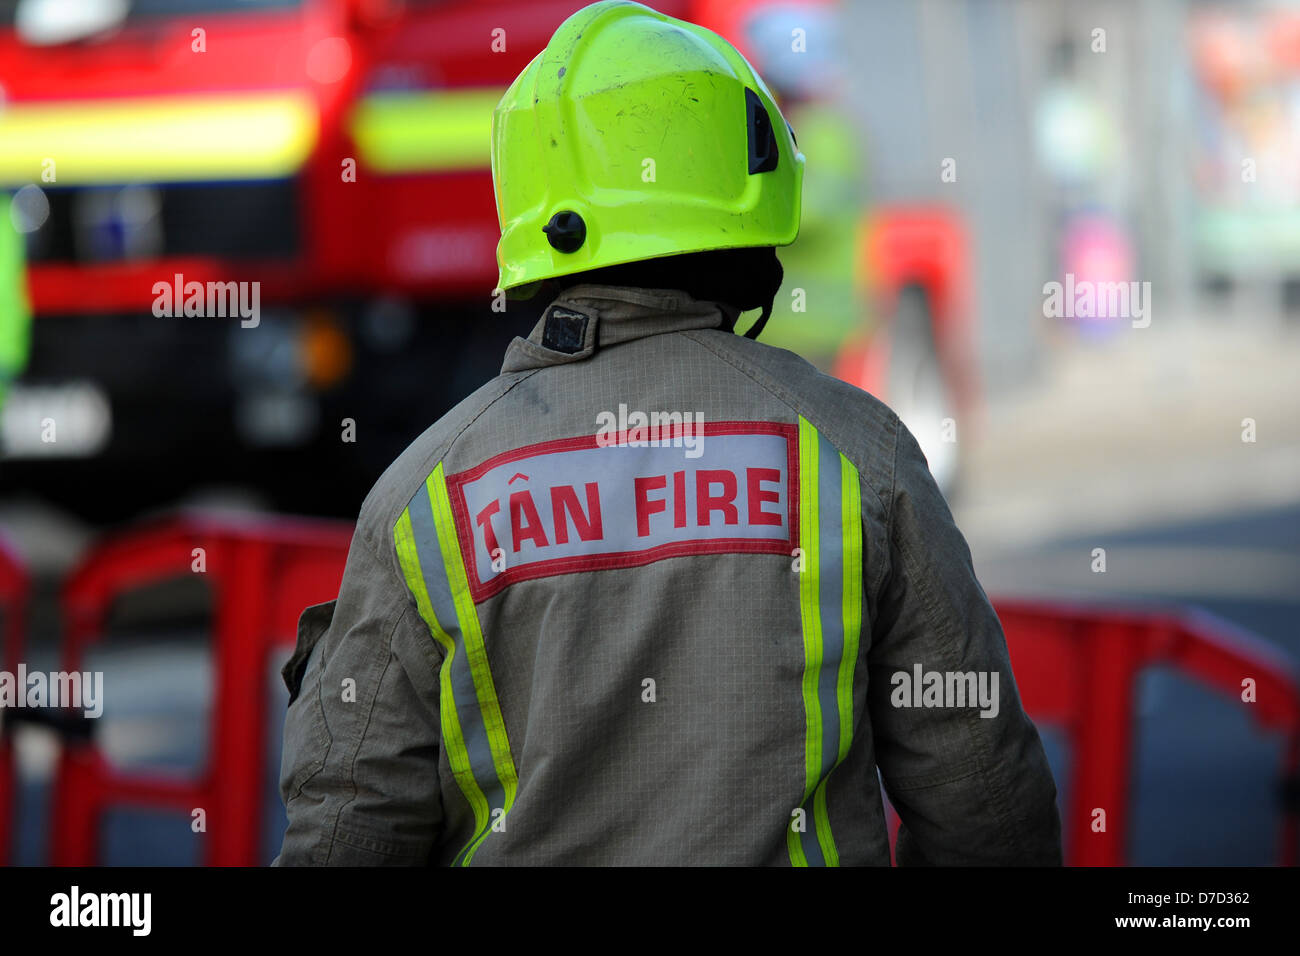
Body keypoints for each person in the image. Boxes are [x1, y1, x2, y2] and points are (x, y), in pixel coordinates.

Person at [275, 0, 1060, 866]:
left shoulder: (422, 497)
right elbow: (988, 806)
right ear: (751, 207)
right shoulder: (856, 454)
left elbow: (347, 831)